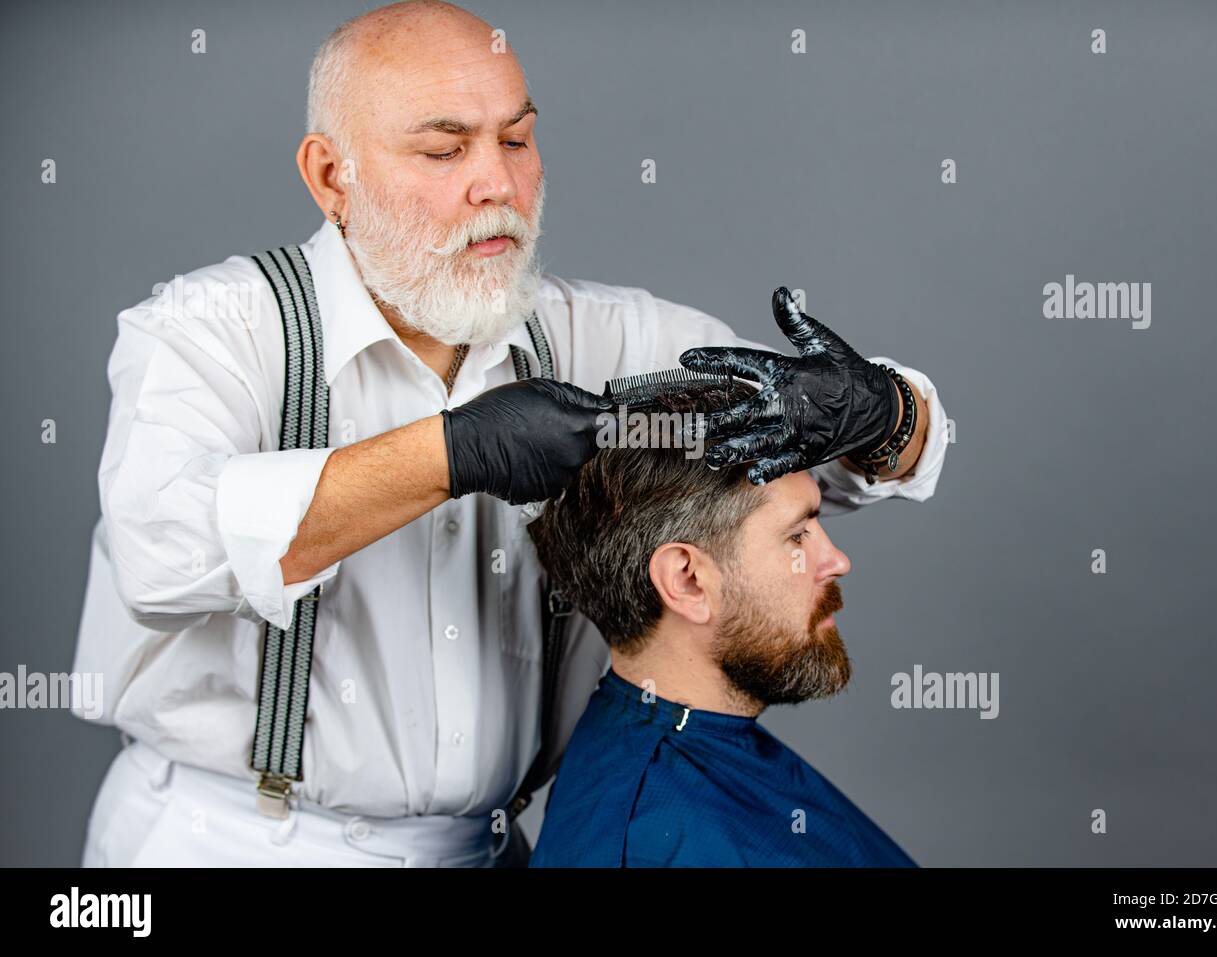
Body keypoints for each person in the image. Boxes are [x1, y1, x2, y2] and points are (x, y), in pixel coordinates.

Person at [72, 0, 947, 868]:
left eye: (517, 140)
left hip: (489, 848)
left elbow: (822, 468)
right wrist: (449, 454)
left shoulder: (601, 340)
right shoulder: (213, 330)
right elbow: (160, 549)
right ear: (332, 176)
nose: (496, 183)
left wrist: (883, 412)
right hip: (234, 843)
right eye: (444, 150)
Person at [526, 381, 917, 867]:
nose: (837, 561)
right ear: (688, 580)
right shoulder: (651, 845)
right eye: (798, 535)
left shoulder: (678, 746)